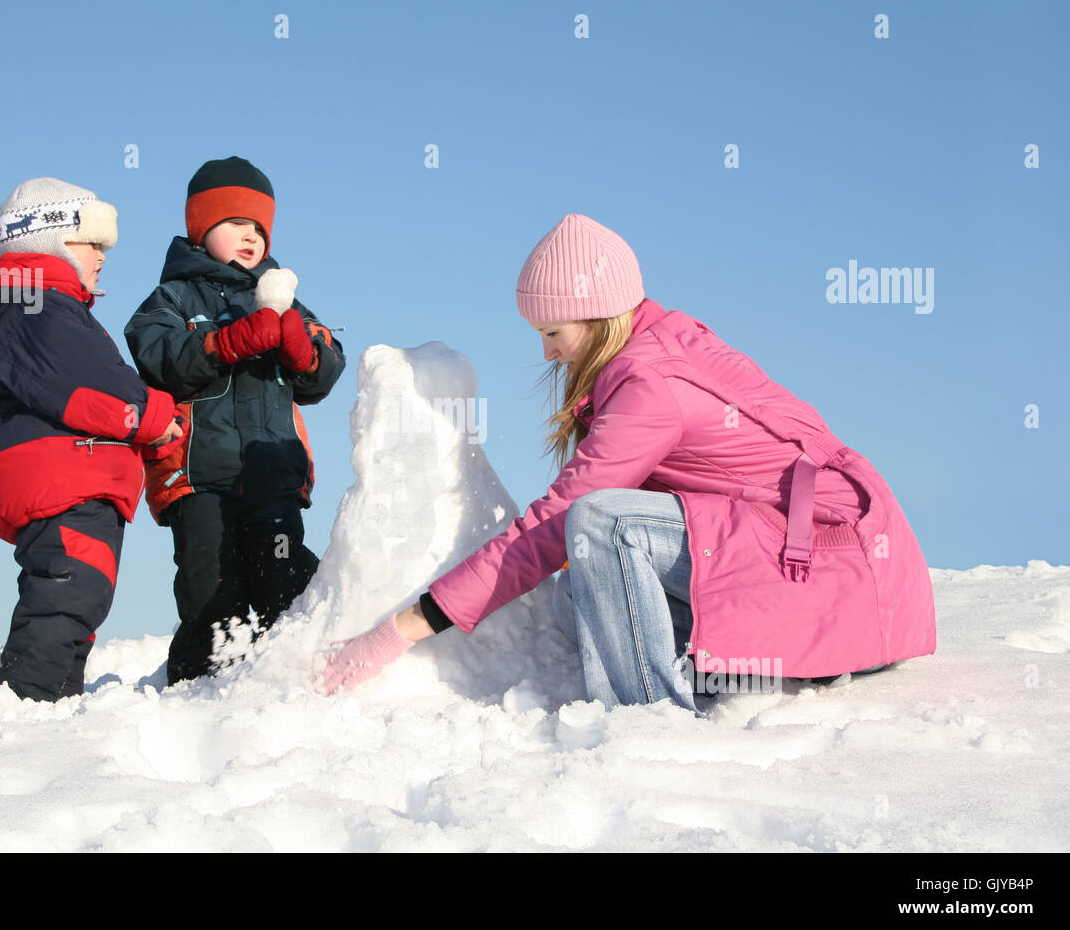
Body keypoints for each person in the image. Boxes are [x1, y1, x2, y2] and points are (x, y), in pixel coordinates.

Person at [318, 214, 936, 711]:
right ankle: (723, 673)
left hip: (841, 572)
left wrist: (400, 630)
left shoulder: (649, 381)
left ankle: (647, 718)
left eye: (554, 332)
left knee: (598, 525)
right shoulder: (655, 344)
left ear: (597, 315)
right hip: (825, 565)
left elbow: (555, 525)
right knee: (576, 592)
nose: (547, 351)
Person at [0, 177, 183, 702]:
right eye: (94, 242)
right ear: (49, 239)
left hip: (68, 480)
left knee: (77, 596)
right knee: (67, 593)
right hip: (66, 483)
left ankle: (54, 704)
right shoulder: (39, 309)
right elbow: (90, 385)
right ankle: (25, 702)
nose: (104, 256)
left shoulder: (37, 308)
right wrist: (157, 417)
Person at [125, 157, 346, 686]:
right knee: (211, 584)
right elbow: (157, 356)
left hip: (273, 476)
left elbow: (322, 372)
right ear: (200, 228)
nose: (249, 237)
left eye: (258, 228)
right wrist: (224, 342)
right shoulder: (173, 298)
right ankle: (199, 686)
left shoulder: (287, 299)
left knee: (282, 579)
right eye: (234, 224)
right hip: (200, 478)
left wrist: (301, 344)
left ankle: (283, 680)